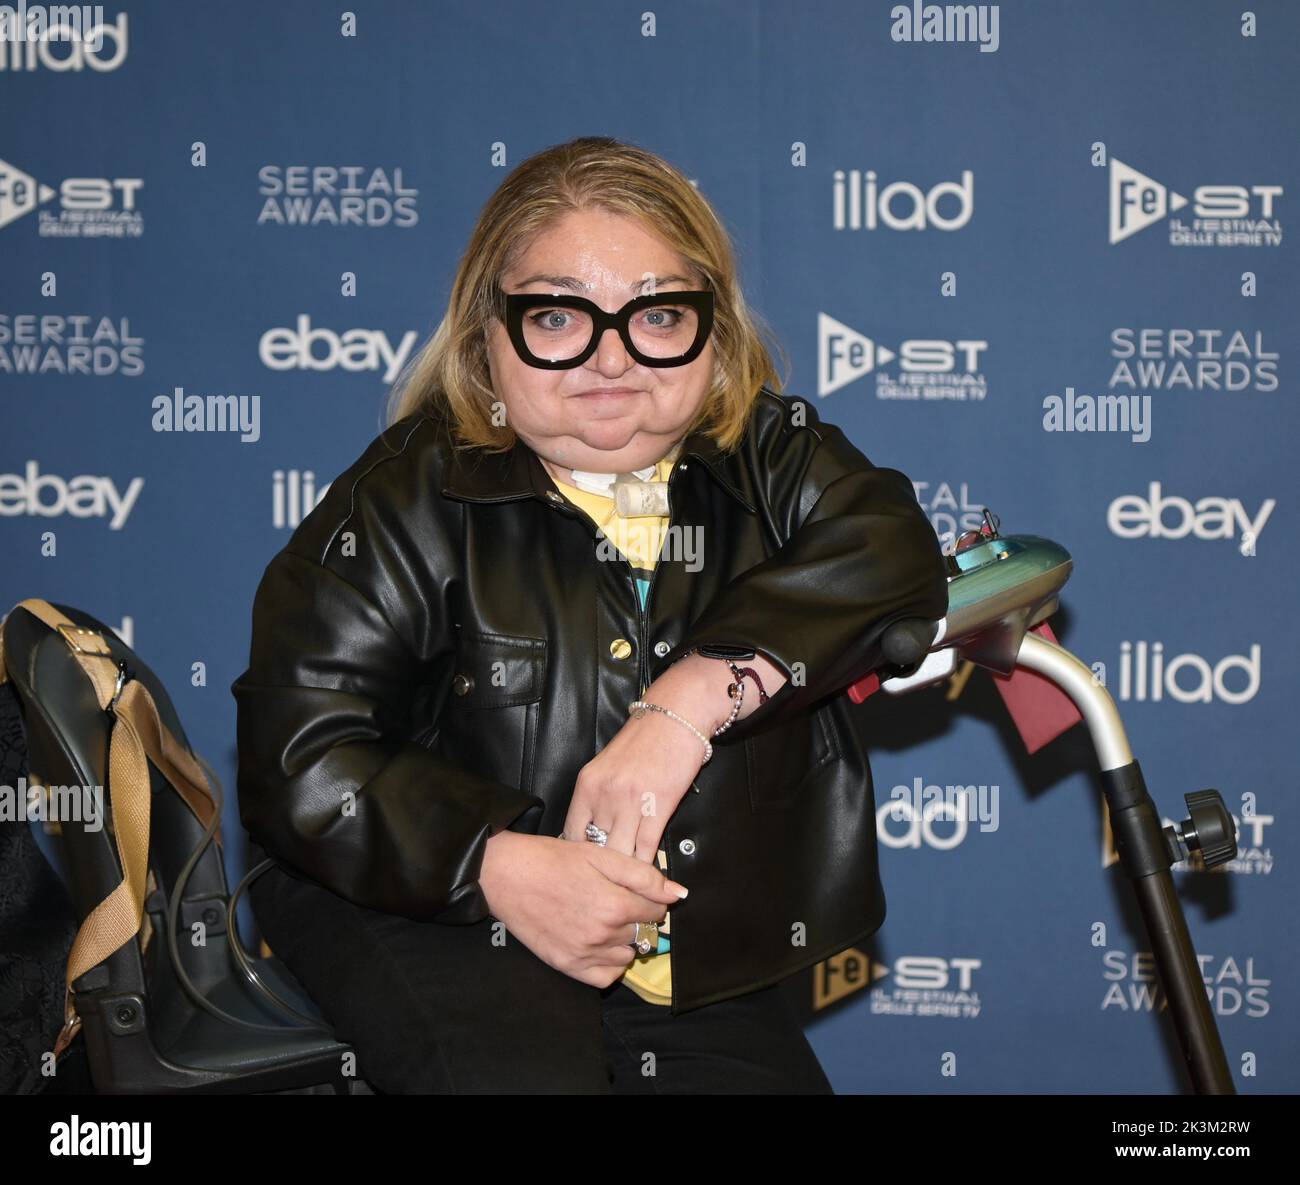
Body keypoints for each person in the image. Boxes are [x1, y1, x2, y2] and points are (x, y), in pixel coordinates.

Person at [232, 135, 949, 1094]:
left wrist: (691, 700)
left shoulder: (765, 455)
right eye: (559, 316)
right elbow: (301, 759)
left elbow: (892, 547)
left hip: (672, 954)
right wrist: (494, 863)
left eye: (656, 314)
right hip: (413, 902)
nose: (611, 358)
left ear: (713, 331)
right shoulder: (404, 497)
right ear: (489, 334)